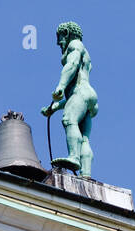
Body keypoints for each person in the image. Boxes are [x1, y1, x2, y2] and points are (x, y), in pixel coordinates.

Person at [41, 22, 98, 177]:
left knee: (69, 120)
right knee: (84, 137)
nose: (58, 43)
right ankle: (86, 173)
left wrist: (60, 85)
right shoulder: (85, 52)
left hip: (80, 93)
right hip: (87, 96)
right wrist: (54, 107)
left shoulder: (75, 45)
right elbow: (73, 99)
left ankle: (74, 157)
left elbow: (72, 65)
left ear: (66, 33)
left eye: (59, 38)